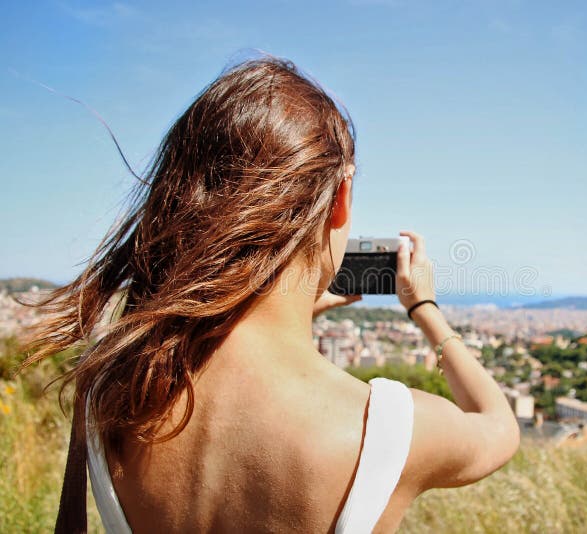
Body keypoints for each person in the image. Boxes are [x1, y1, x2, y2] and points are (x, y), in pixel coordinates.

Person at [23, 55, 520, 533]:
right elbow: (498, 427)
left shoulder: (113, 390)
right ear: (340, 201)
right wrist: (424, 307)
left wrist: (293, 318)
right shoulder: (382, 430)